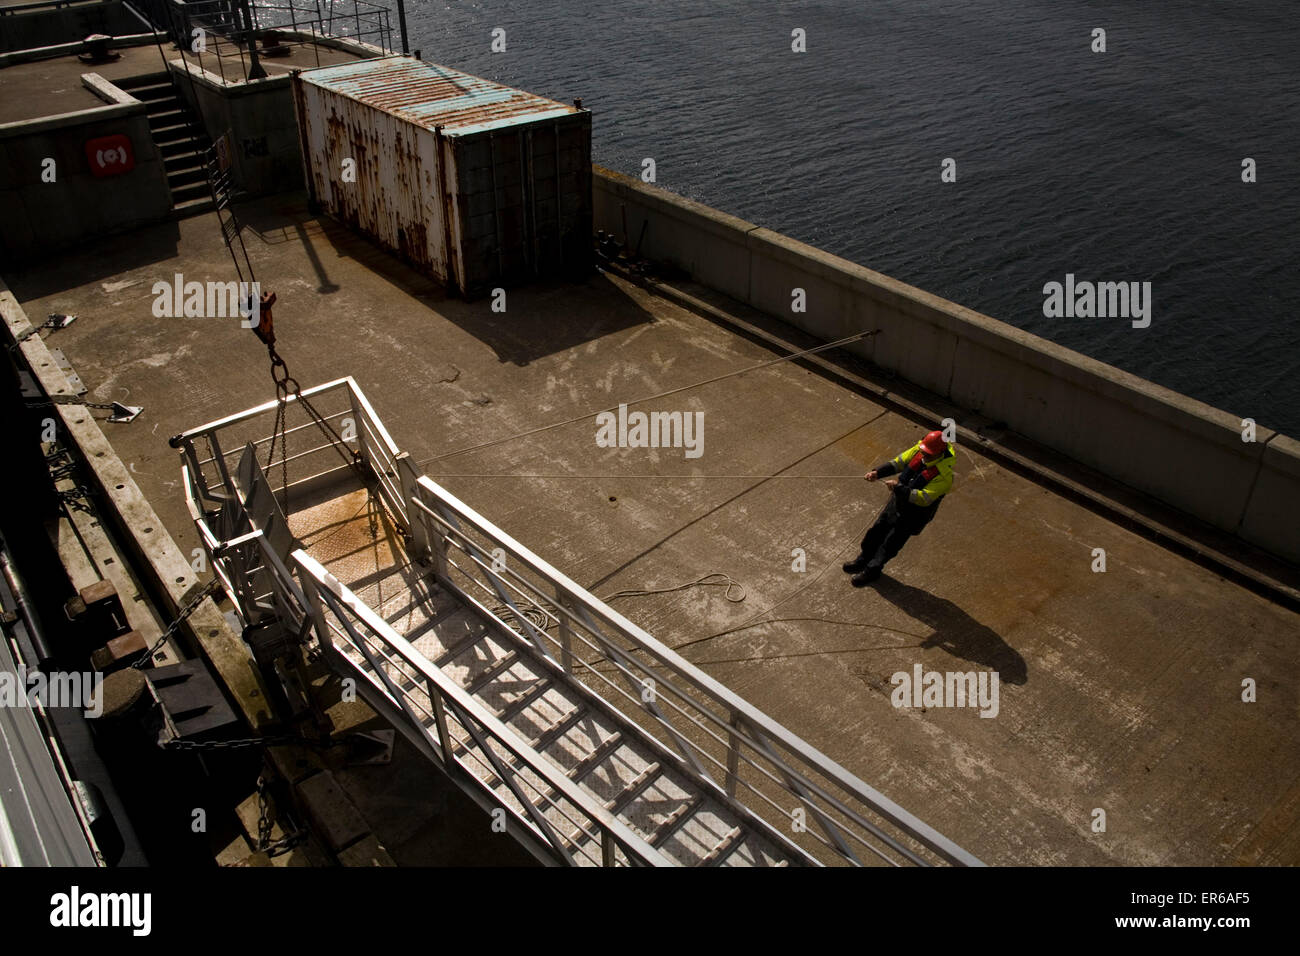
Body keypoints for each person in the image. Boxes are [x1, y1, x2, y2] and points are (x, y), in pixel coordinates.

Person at [843, 430, 955, 586]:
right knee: (876, 532)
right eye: (923, 452)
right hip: (896, 503)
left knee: (890, 544)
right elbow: (899, 462)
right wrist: (878, 472)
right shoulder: (920, 450)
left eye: (928, 454)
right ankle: (863, 560)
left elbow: (923, 499)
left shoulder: (944, 476)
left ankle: (872, 571)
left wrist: (899, 489)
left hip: (913, 515)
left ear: (940, 453)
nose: (924, 456)